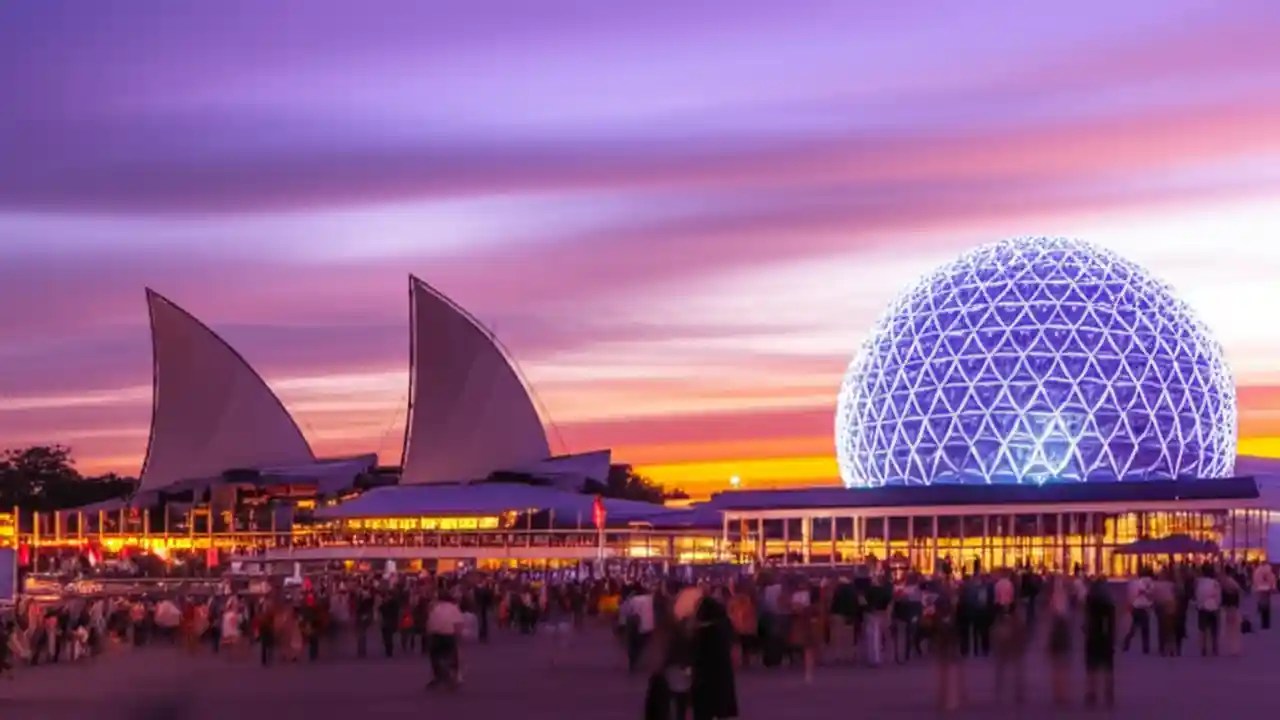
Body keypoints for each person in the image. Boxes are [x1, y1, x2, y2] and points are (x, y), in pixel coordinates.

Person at [691, 596, 738, 720]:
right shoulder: (724, 625)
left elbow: (697, 654)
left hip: (705, 676)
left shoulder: (703, 632)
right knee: (721, 707)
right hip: (722, 673)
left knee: (704, 710)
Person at [1083, 578, 1116, 709]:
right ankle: (1109, 692)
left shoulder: (1090, 601)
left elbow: (1087, 619)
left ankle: (1092, 692)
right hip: (1106, 637)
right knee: (1108, 666)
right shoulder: (1110, 605)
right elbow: (1112, 623)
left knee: (1091, 666)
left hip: (1093, 636)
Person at [427, 590, 464, 689]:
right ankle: (453, 676)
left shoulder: (434, 607)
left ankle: (438, 676)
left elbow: (430, 623)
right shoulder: (454, 608)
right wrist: (458, 636)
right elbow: (458, 624)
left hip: (436, 635)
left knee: (435, 656)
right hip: (449, 635)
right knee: (452, 655)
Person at [1122, 569, 1153, 654]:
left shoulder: (1131, 584)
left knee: (1133, 628)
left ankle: (1126, 644)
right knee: (1145, 629)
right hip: (1142, 607)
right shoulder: (1140, 584)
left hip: (1135, 607)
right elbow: (1146, 593)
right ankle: (1145, 648)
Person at [1195, 564, 1222, 657]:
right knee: (1214, 630)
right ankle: (1215, 647)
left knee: (1202, 629)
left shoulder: (1199, 583)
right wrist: (1218, 605)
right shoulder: (1215, 583)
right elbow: (1218, 597)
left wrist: (1199, 605)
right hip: (1213, 607)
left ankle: (1203, 648)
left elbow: (1198, 595)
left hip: (1202, 608)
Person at [1253, 563, 1275, 630]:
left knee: (1262, 604)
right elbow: (1272, 579)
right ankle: (1266, 623)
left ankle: (1263, 623)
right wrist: (1272, 587)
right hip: (1267, 588)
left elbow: (1255, 579)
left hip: (1260, 588)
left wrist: (1256, 587)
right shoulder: (1269, 569)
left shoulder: (1257, 570)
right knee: (1267, 606)